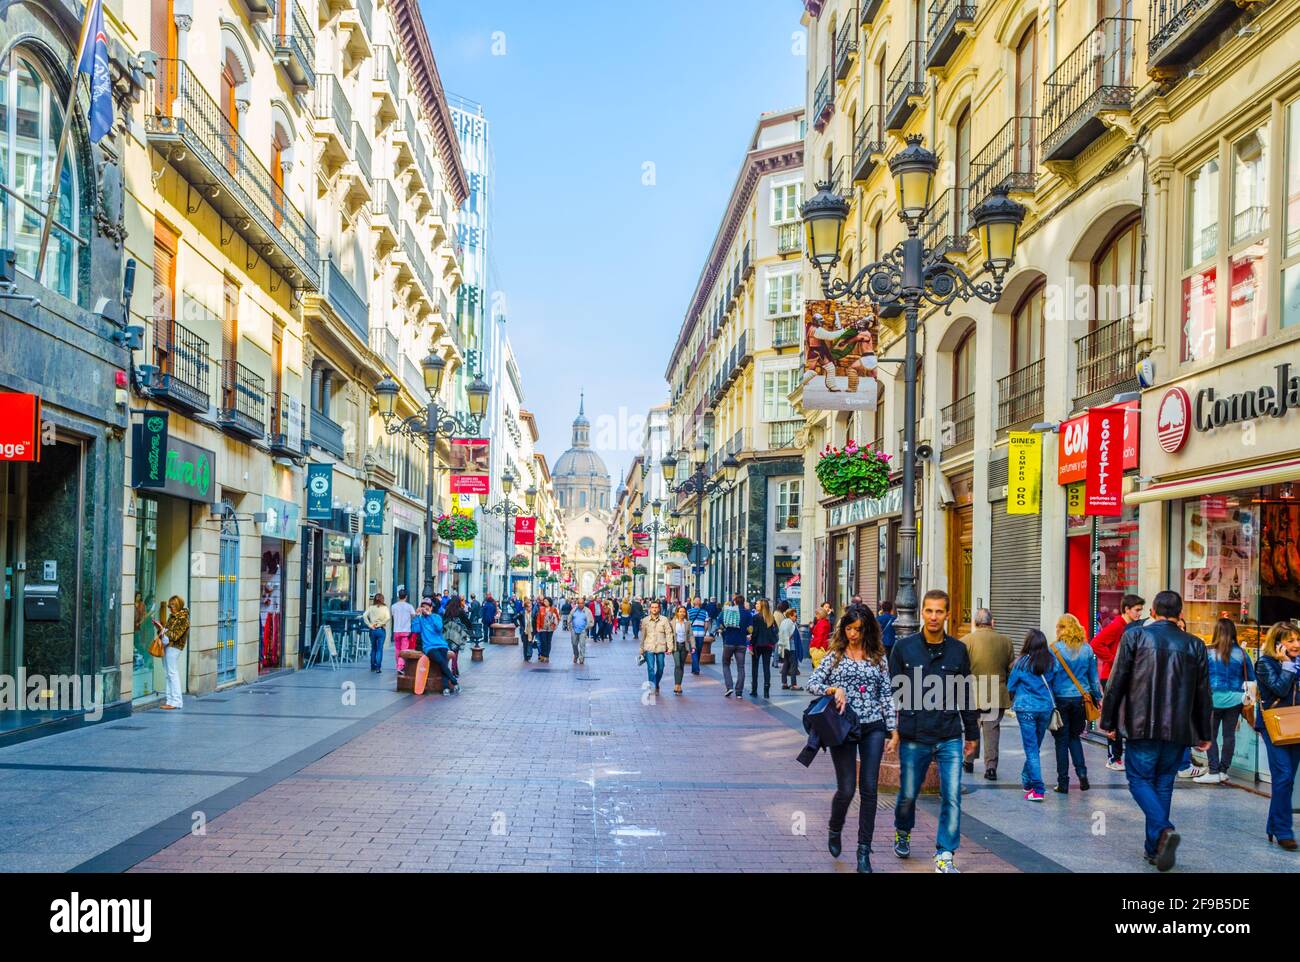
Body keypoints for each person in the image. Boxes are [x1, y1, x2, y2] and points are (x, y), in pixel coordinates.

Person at [1099, 590, 1211, 871]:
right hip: (1178, 729)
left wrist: (1108, 722)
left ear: (1152, 612)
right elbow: (1203, 693)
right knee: (1163, 783)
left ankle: (1163, 829)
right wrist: (1204, 732)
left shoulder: (1135, 636)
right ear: (1180, 614)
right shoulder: (1195, 645)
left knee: (1138, 779)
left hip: (1141, 725)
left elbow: (1117, 681)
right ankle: (1154, 848)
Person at [887, 589, 979, 874]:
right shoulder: (904, 649)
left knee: (952, 796)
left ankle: (945, 853)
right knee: (908, 794)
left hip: (950, 734)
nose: (934, 616)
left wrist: (973, 734)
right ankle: (903, 830)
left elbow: (966, 693)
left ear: (948, 614)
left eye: (940, 611)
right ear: (922, 613)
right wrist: (894, 730)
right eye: (929, 611)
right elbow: (892, 693)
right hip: (915, 735)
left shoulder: (958, 650)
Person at [806, 605, 898, 874]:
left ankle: (863, 851)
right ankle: (835, 828)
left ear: (867, 629)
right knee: (847, 788)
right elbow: (812, 682)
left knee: (869, 789)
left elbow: (885, 695)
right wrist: (834, 689)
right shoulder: (835, 655)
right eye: (849, 628)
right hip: (843, 727)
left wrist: (892, 730)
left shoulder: (878, 657)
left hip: (873, 727)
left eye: (858, 629)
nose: (853, 634)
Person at [1255, 622, 1300, 850]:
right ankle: (1284, 830)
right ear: (1277, 643)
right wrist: (1287, 667)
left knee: (1288, 779)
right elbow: (1280, 690)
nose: (1296, 645)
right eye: (1290, 640)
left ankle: (1274, 824)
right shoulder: (1265, 663)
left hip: (1297, 725)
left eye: (1297, 640)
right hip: (1275, 726)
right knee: (1283, 776)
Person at [1090, 592, 1144, 772]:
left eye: (1141, 610)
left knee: (1121, 713)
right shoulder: (1117, 625)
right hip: (1110, 676)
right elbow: (1095, 643)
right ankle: (1114, 757)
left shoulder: (1130, 626)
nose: (1139, 613)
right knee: (1113, 715)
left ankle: (1118, 756)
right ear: (1127, 609)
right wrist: (1114, 659)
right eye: (1137, 610)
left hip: (1120, 674)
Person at [1049, 613, 1103, 794]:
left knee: (1061, 741)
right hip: (1081, 700)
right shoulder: (1087, 649)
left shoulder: (1054, 649)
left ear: (1061, 628)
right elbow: (1094, 679)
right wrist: (1098, 697)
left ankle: (1063, 782)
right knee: (1074, 737)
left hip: (1060, 699)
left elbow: (1050, 677)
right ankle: (1082, 775)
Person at [1198, 618, 1255, 784]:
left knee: (1211, 735)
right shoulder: (1243, 654)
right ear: (1233, 633)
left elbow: (1200, 678)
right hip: (1236, 700)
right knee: (1229, 736)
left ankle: (1214, 770)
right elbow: (1251, 679)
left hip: (1212, 700)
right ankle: (1223, 770)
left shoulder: (1207, 653)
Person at [960, 608, 1014, 780]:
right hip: (996, 692)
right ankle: (990, 768)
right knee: (992, 730)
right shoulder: (1005, 641)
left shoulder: (965, 641)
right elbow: (1010, 669)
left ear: (975, 623)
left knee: (972, 727)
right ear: (992, 622)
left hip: (973, 692)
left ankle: (968, 761)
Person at [1006, 629, 1059, 801]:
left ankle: (1038, 789)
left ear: (1028, 643)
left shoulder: (1021, 663)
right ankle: (1027, 781)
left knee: (1031, 749)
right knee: (1034, 747)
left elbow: (1011, 686)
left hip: (1026, 709)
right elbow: (1055, 684)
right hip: (1045, 708)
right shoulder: (1051, 661)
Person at [412, 597, 459, 695]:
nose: (425, 609)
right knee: (441, 661)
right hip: (429, 647)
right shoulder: (420, 619)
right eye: (423, 606)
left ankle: (446, 688)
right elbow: (415, 630)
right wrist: (416, 616)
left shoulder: (436, 617)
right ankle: (454, 681)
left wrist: (430, 615)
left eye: (427, 607)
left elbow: (439, 628)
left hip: (441, 645)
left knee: (443, 663)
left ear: (431, 608)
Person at [152, 595, 189, 710]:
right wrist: (160, 628)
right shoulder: (172, 616)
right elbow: (167, 632)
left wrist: (163, 631)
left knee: (172, 673)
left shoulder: (183, 618)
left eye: (173, 605)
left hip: (174, 647)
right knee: (168, 674)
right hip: (166, 645)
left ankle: (176, 701)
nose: (170, 607)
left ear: (178, 605)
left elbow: (175, 635)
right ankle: (169, 700)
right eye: (170, 605)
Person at [719, 594, 752, 698]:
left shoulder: (728, 611)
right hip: (741, 643)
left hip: (729, 641)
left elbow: (720, 623)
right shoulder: (748, 614)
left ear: (734, 602)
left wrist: (724, 629)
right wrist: (745, 632)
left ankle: (729, 687)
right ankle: (739, 692)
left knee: (725, 664)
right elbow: (750, 629)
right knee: (741, 667)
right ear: (744, 602)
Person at [639, 600, 674, 694]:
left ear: (659, 608)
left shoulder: (664, 619)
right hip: (649, 647)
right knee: (650, 668)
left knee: (661, 668)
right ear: (650, 609)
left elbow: (669, 634)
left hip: (660, 647)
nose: (654, 609)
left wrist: (670, 647)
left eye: (656, 607)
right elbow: (643, 636)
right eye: (652, 607)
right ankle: (653, 687)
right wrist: (641, 649)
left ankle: (656, 683)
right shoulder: (645, 620)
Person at [749, 599, 779, 699]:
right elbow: (776, 630)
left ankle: (754, 690)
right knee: (766, 668)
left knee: (755, 668)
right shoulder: (771, 617)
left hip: (757, 646)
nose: (755, 605)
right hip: (768, 646)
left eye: (757, 604)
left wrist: (751, 645)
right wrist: (772, 640)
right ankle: (766, 691)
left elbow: (755, 633)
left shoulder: (756, 618)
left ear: (762, 606)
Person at [443, 596, 472, 675]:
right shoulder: (460, 611)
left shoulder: (447, 610)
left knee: (449, 650)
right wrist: (470, 628)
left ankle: (447, 668)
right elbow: (466, 621)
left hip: (448, 633)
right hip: (457, 634)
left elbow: (443, 621)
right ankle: (454, 669)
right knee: (455, 651)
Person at [363, 593, 392, 674]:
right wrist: (381, 624)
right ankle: (378, 668)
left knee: (373, 648)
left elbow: (364, 615)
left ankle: (372, 666)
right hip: (381, 629)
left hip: (372, 630)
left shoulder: (371, 608)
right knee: (379, 649)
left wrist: (369, 625)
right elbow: (388, 618)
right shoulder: (385, 608)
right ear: (382, 599)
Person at [391, 589, 416, 672]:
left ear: (399, 596)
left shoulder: (393, 606)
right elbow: (413, 615)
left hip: (396, 630)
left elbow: (393, 615)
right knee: (404, 649)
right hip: (405, 631)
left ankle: (397, 664)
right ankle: (400, 666)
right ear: (406, 596)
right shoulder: (409, 606)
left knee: (397, 649)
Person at [670, 605, 691, 694]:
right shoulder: (672, 623)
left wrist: (693, 646)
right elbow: (669, 635)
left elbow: (691, 635)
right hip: (675, 646)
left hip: (684, 646)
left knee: (681, 666)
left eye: (683, 612)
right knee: (677, 665)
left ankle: (679, 685)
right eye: (680, 611)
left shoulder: (688, 623)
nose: (682, 613)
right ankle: (676, 685)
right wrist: (668, 646)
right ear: (677, 613)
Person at [778, 608, 801, 690]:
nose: (796, 618)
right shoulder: (791, 623)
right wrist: (789, 637)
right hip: (791, 648)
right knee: (793, 665)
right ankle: (793, 684)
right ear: (790, 615)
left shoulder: (784, 622)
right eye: (795, 616)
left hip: (785, 647)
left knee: (786, 664)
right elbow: (789, 635)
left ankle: (784, 683)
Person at [687, 596, 709, 675]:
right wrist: (704, 632)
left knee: (693, 651)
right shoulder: (705, 612)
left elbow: (687, 624)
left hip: (692, 635)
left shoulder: (689, 612)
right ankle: (696, 668)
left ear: (693, 602)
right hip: (700, 635)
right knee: (698, 651)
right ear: (700, 603)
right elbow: (706, 625)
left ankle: (695, 668)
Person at [809, 602, 832, 669]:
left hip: (819, 647)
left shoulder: (822, 623)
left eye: (817, 614)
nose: (816, 616)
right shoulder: (823, 622)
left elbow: (820, 636)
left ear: (820, 614)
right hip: (821, 646)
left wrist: (816, 648)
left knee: (817, 668)